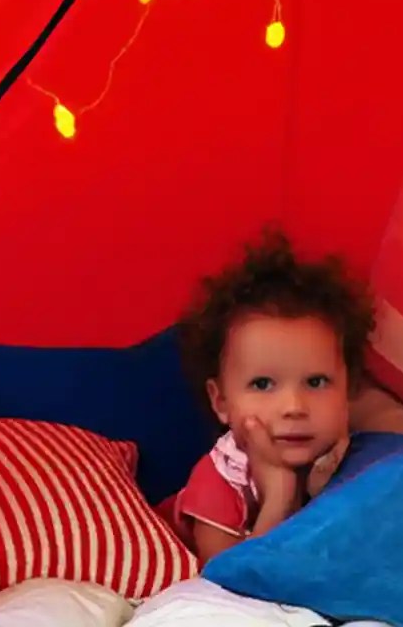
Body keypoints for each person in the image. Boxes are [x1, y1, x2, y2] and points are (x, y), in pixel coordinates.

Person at [159, 228, 377, 563]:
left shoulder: (352, 457)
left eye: (316, 382)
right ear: (221, 402)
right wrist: (277, 495)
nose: (294, 407)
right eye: (262, 385)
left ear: (348, 389)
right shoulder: (219, 481)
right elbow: (227, 580)